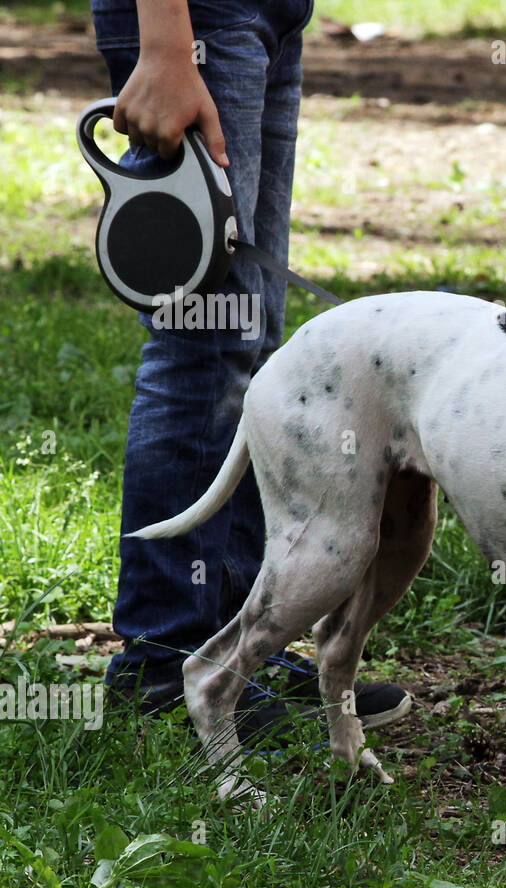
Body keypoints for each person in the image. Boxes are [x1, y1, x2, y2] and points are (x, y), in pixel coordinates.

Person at [91, 0, 410, 737]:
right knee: (201, 342)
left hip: (264, 12)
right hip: (199, 17)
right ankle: (164, 659)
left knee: (249, 341)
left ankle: (231, 651)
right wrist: (167, 44)